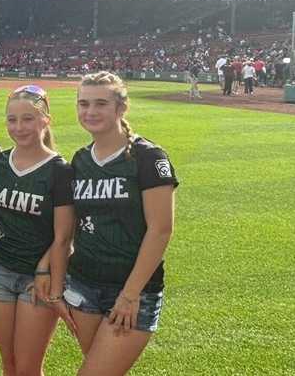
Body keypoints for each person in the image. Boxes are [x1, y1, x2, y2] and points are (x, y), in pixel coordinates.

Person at [65, 72, 178, 376]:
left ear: (121, 108)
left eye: (101, 103)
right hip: (83, 286)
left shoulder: (148, 157)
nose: (90, 111)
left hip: (133, 292)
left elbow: (161, 229)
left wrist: (129, 296)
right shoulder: (80, 160)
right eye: (84, 103)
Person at [0, 84, 76, 376]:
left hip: (38, 279)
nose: (19, 127)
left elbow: (64, 238)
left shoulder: (60, 170)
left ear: (46, 120)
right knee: (8, 363)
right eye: (12, 119)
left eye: (28, 119)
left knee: (28, 367)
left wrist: (45, 271)